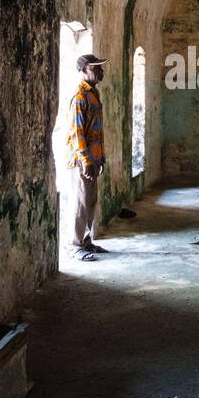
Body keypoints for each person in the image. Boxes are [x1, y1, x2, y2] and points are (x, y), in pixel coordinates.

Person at [67, 53, 110, 260]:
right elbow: (77, 133)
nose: (101, 71)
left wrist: (100, 159)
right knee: (81, 202)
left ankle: (87, 241)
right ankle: (77, 246)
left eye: (100, 67)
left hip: (93, 158)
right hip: (82, 160)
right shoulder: (80, 96)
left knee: (91, 201)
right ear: (84, 71)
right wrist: (85, 161)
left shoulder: (94, 94)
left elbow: (96, 131)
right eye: (96, 68)